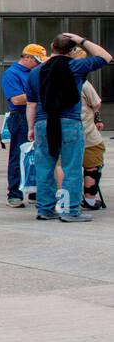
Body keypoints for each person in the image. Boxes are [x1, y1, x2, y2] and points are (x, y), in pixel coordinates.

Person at [26, 32, 114, 223]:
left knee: (45, 166)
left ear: (52, 46)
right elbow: (106, 57)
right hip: (70, 121)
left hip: (43, 122)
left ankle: (45, 209)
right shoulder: (76, 66)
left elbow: (31, 104)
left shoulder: (35, 72)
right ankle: (70, 210)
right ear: (72, 49)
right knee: (71, 166)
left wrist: (31, 128)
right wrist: (82, 41)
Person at [0, 44, 46, 207]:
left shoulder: (37, 72)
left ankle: (35, 190)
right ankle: (14, 194)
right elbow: (16, 99)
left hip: (38, 114)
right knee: (18, 154)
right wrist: (41, 94)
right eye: (36, 61)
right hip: (20, 116)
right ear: (26, 57)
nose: (39, 64)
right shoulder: (12, 74)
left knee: (41, 154)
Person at [73, 48, 106, 210]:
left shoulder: (48, 77)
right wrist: (96, 117)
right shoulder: (83, 83)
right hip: (85, 131)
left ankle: (63, 200)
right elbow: (96, 103)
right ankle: (90, 199)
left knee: (61, 166)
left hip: (59, 130)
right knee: (93, 164)